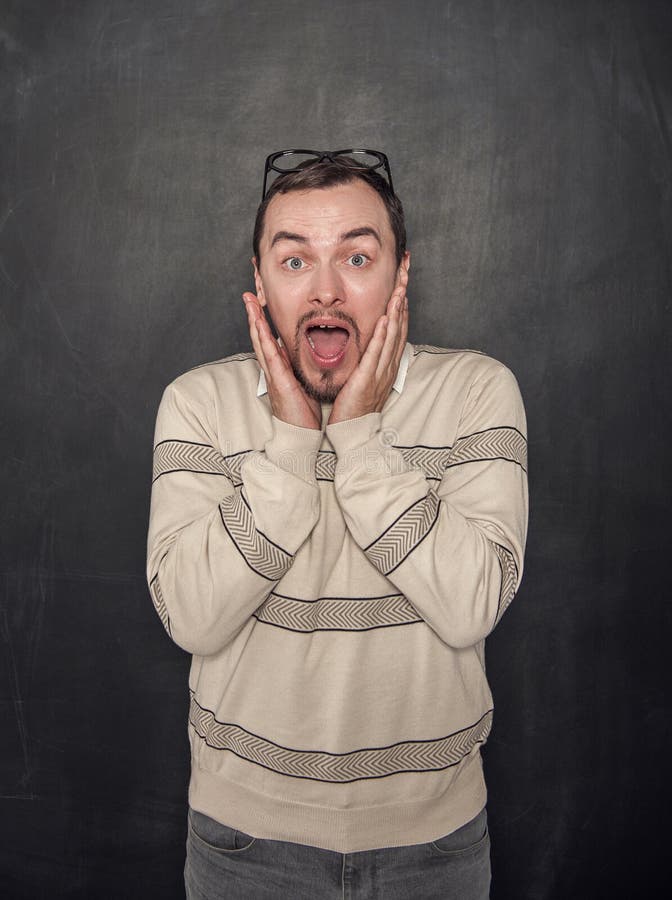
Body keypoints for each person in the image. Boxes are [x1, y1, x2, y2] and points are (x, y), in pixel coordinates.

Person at [146, 149, 528, 899]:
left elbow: (471, 606)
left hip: (435, 847)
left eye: (357, 255)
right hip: (244, 847)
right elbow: (190, 618)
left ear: (399, 274)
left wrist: (358, 438)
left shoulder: (479, 393)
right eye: (294, 262)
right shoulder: (197, 404)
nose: (326, 288)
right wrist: (290, 447)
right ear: (260, 284)